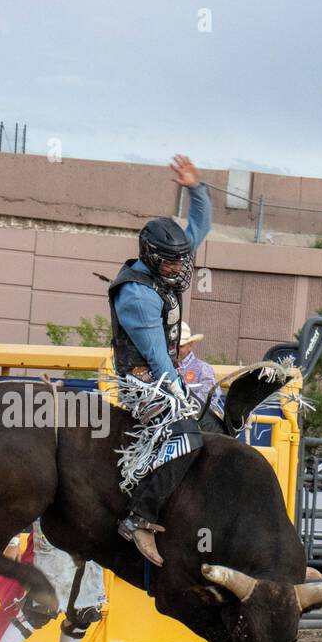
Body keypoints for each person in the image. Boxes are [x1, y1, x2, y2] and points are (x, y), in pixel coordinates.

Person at [107, 154, 211, 565]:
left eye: (182, 259)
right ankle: (138, 517)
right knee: (186, 433)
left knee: (215, 427)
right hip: (141, 382)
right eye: (172, 261)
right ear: (152, 257)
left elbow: (200, 226)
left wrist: (195, 188)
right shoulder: (136, 295)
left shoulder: (163, 267)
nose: (180, 267)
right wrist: (180, 394)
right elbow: (156, 357)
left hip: (163, 376)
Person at [0, 519, 107, 642]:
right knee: (40, 607)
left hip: (87, 533)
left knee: (85, 610)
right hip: (53, 532)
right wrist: (13, 541)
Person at [178, 321, 223, 411]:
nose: (176, 350)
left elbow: (212, 401)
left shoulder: (203, 368)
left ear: (190, 345)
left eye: (180, 346)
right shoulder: (164, 367)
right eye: (172, 345)